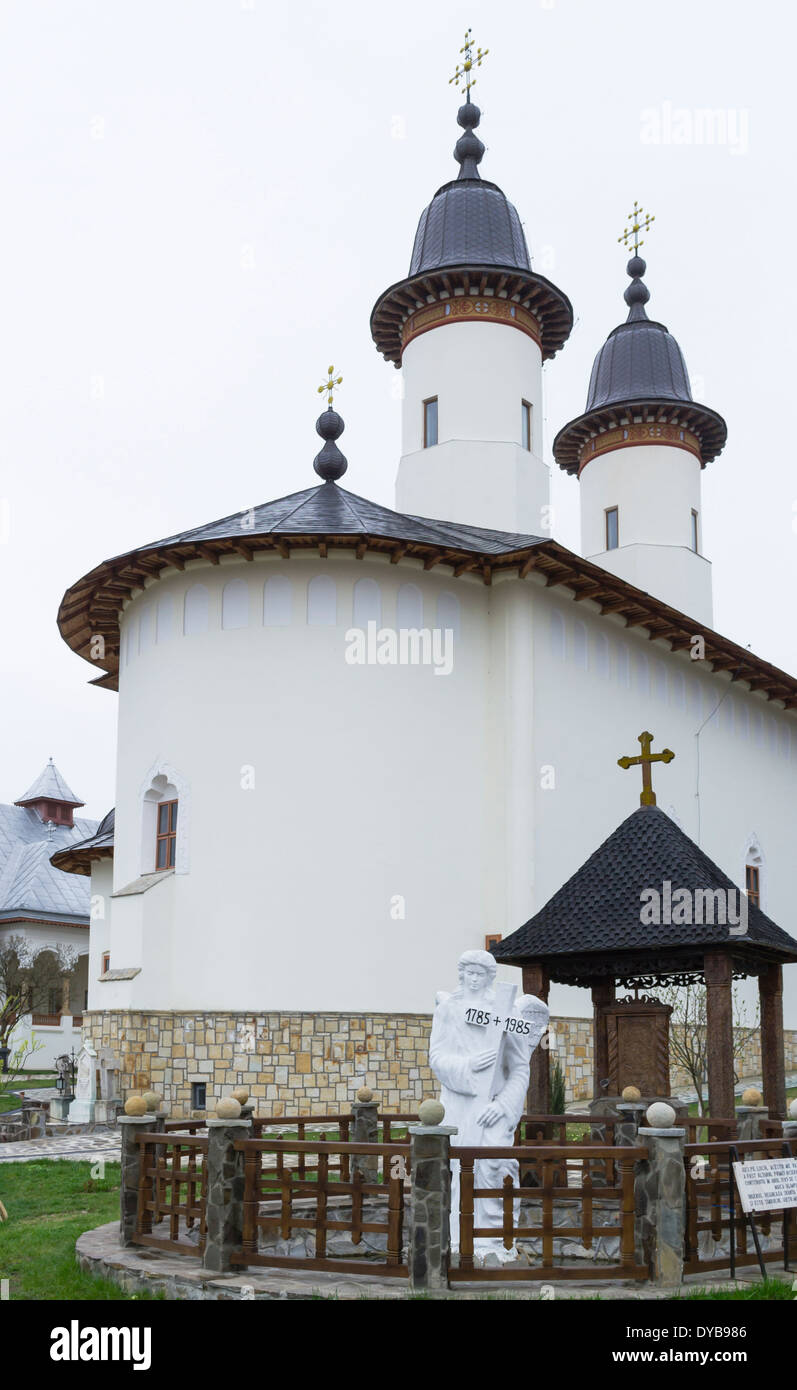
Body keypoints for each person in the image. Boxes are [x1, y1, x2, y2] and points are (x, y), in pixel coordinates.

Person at [429, 948, 548, 1262]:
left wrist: (504, 1106)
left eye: (480, 974)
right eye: (468, 973)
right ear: (461, 974)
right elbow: (437, 1057)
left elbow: (520, 1068)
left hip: (493, 1108)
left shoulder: (505, 1012)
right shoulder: (449, 1010)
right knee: (457, 1170)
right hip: (458, 1104)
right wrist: (468, 1065)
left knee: (495, 1166)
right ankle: (459, 1240)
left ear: (489, 977)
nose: (473, 979)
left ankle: (496, 1242)